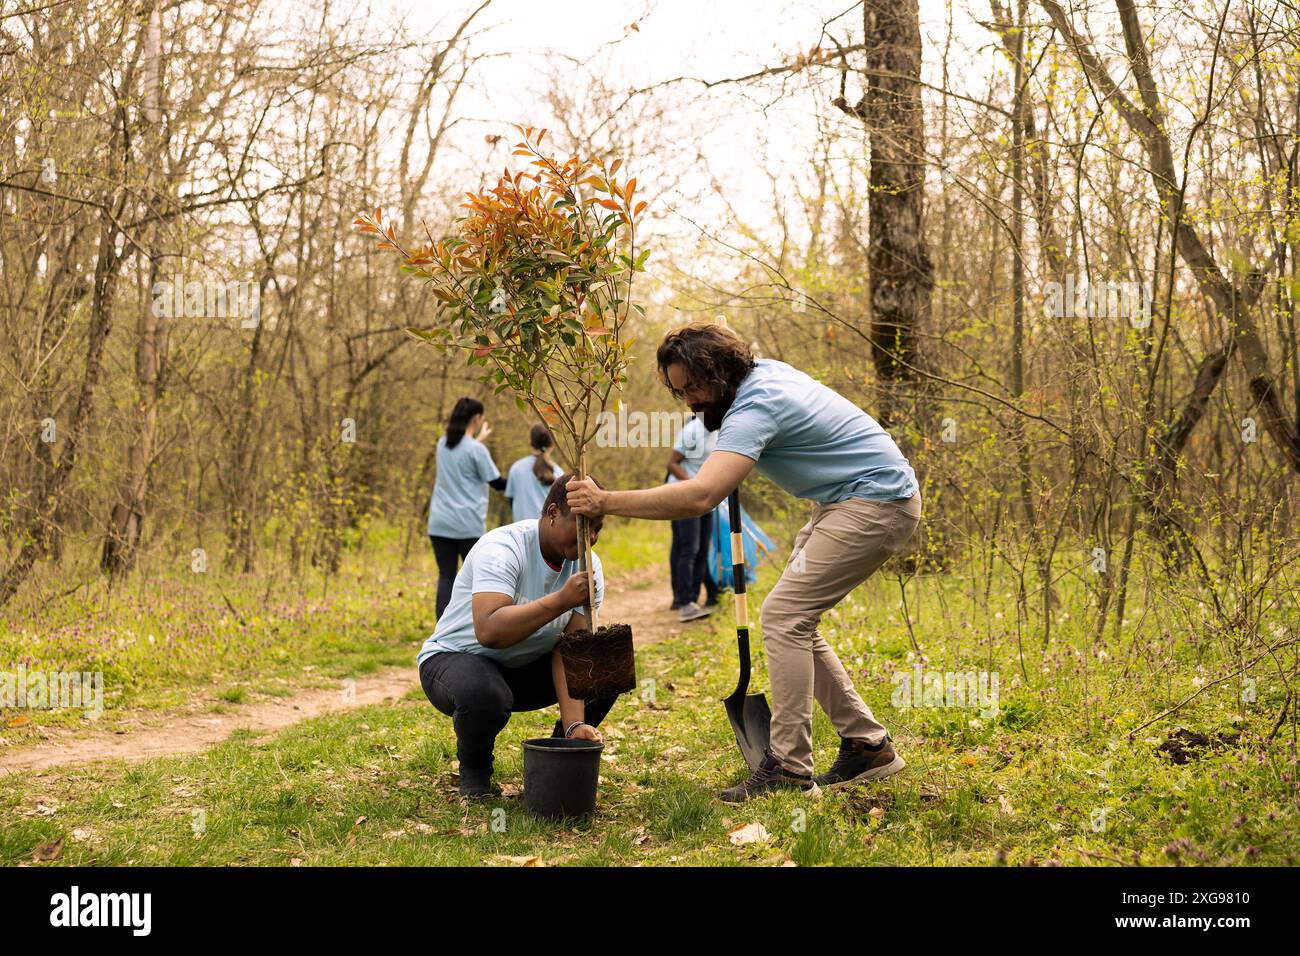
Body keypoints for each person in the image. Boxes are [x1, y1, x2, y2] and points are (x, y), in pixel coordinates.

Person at [566, 323, 921, 803]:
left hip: (875, 501)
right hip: (845, 500)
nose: (688, 400)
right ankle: (867, 745)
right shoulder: (761, 379)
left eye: (693, 386)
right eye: (678, 390)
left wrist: (606, 501)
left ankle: (791, 769)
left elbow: (701, 495)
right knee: (794, 621)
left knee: (784, 617)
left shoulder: (756, 405)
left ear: (720, 371)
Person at [417, 475, 615, 797]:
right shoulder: (503, 548)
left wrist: (575, 725)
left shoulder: (588, 568)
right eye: (583, 526)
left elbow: (573, 652)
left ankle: (561, 757)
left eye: (597, 529)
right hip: (456, 661)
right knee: (485, 692)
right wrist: (562, 600)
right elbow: (490, 631)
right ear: (553, 512)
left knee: (604, 661)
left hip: (520, 667)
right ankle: (475, 772)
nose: (589, 538)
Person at [428, 397, 507, 618]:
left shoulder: (442, 444)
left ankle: (441, 628)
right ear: (478, 418)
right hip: (467, 525)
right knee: (474, 579)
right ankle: (472, 626)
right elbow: (497, 483)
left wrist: (477, 441)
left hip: (439, 523)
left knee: (446, 577)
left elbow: (464, 453)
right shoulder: (476, 451)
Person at [666, 415, 719, 621]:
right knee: (689, 548)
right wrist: (694, 486)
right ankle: (685, 601)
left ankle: (692, 599)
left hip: (705, 496)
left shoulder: (719, 430)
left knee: (702, 549)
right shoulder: (692, 431)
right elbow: (672, 463)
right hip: (683, 495)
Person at [504, 424, 559, 522]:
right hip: (548, 532)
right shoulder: (558, 473)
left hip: (521, 532)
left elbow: (511, 501)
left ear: (530, 442)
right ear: (552, 444)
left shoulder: (516, 468)